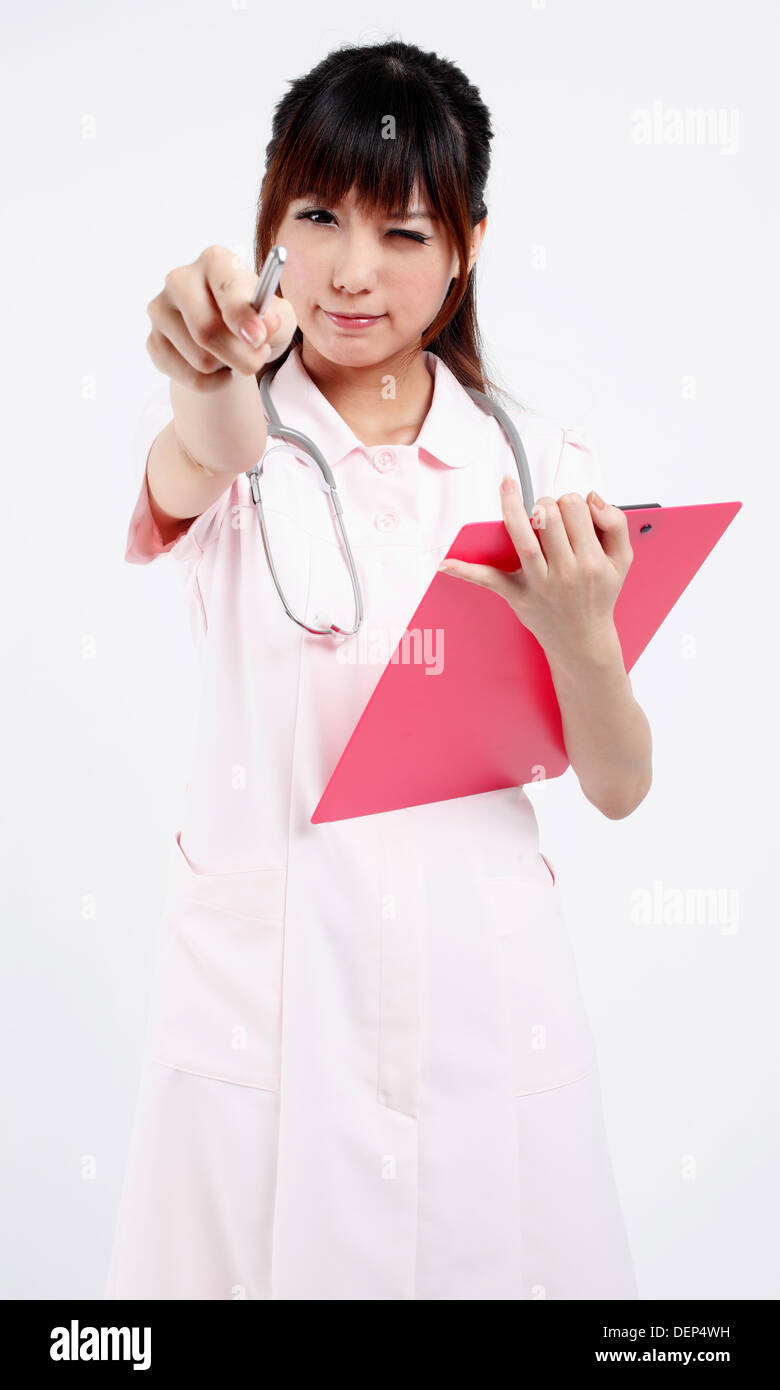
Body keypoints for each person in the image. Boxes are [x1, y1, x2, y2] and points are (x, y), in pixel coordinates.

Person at [105, 38, 651, 1301]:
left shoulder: (534, 464)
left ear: (466, 246)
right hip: (273, 1009)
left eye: (404, 233)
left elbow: (620, 782)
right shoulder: (236, 427)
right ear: (272, 220)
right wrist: (205, 369)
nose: (353, 272)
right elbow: (211, 441)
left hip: (482, 1009)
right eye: (317, 217)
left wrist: (581, 637)